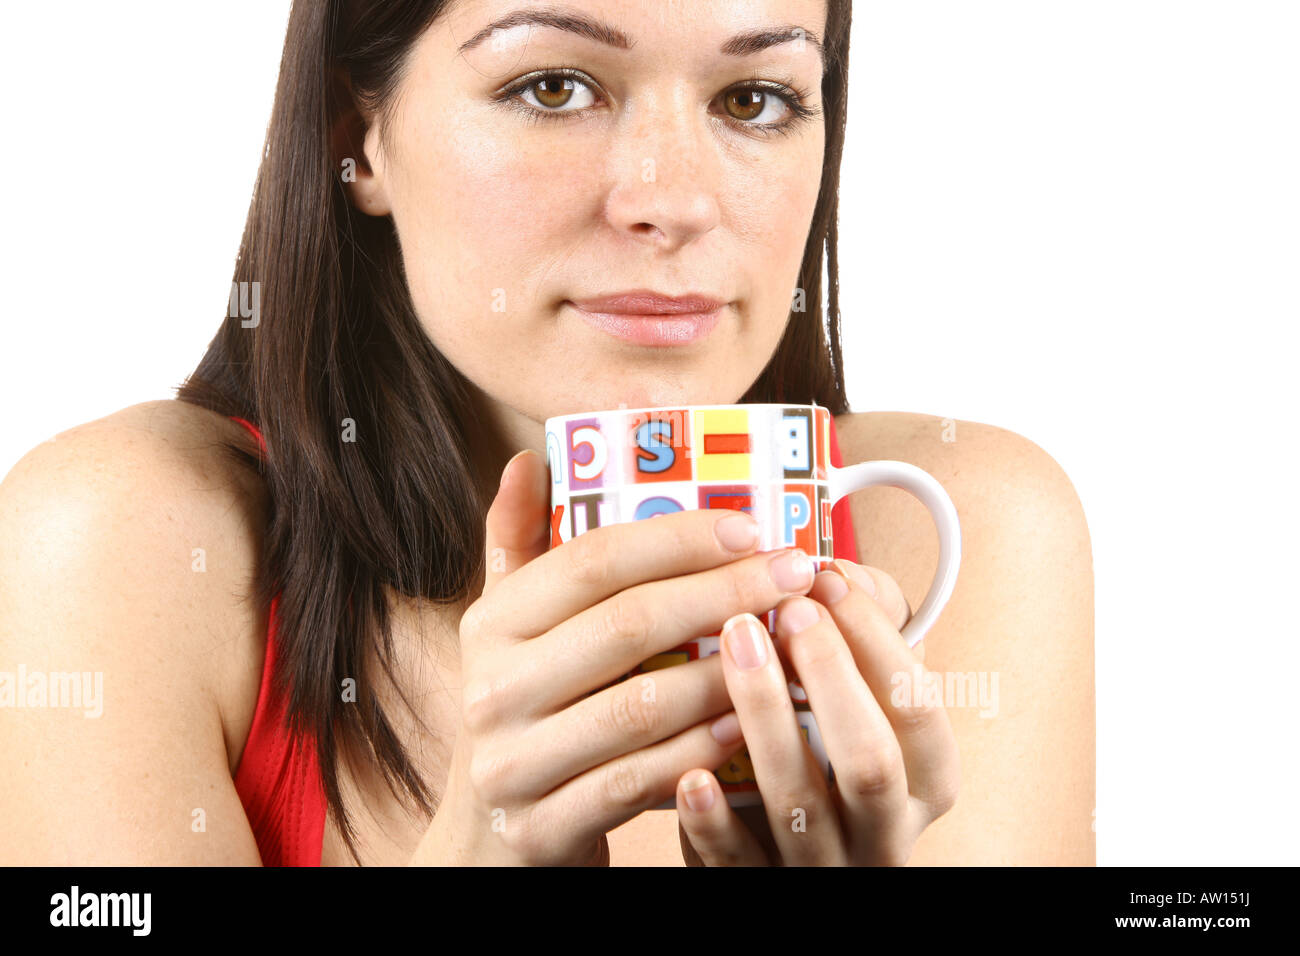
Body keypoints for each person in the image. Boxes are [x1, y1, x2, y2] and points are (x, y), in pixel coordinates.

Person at [0, 0, 1094, 866]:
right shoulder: (117, 539)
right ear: (358, 136)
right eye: (554, 85)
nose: (673, 200)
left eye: (756, 96)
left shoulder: (956, 530)